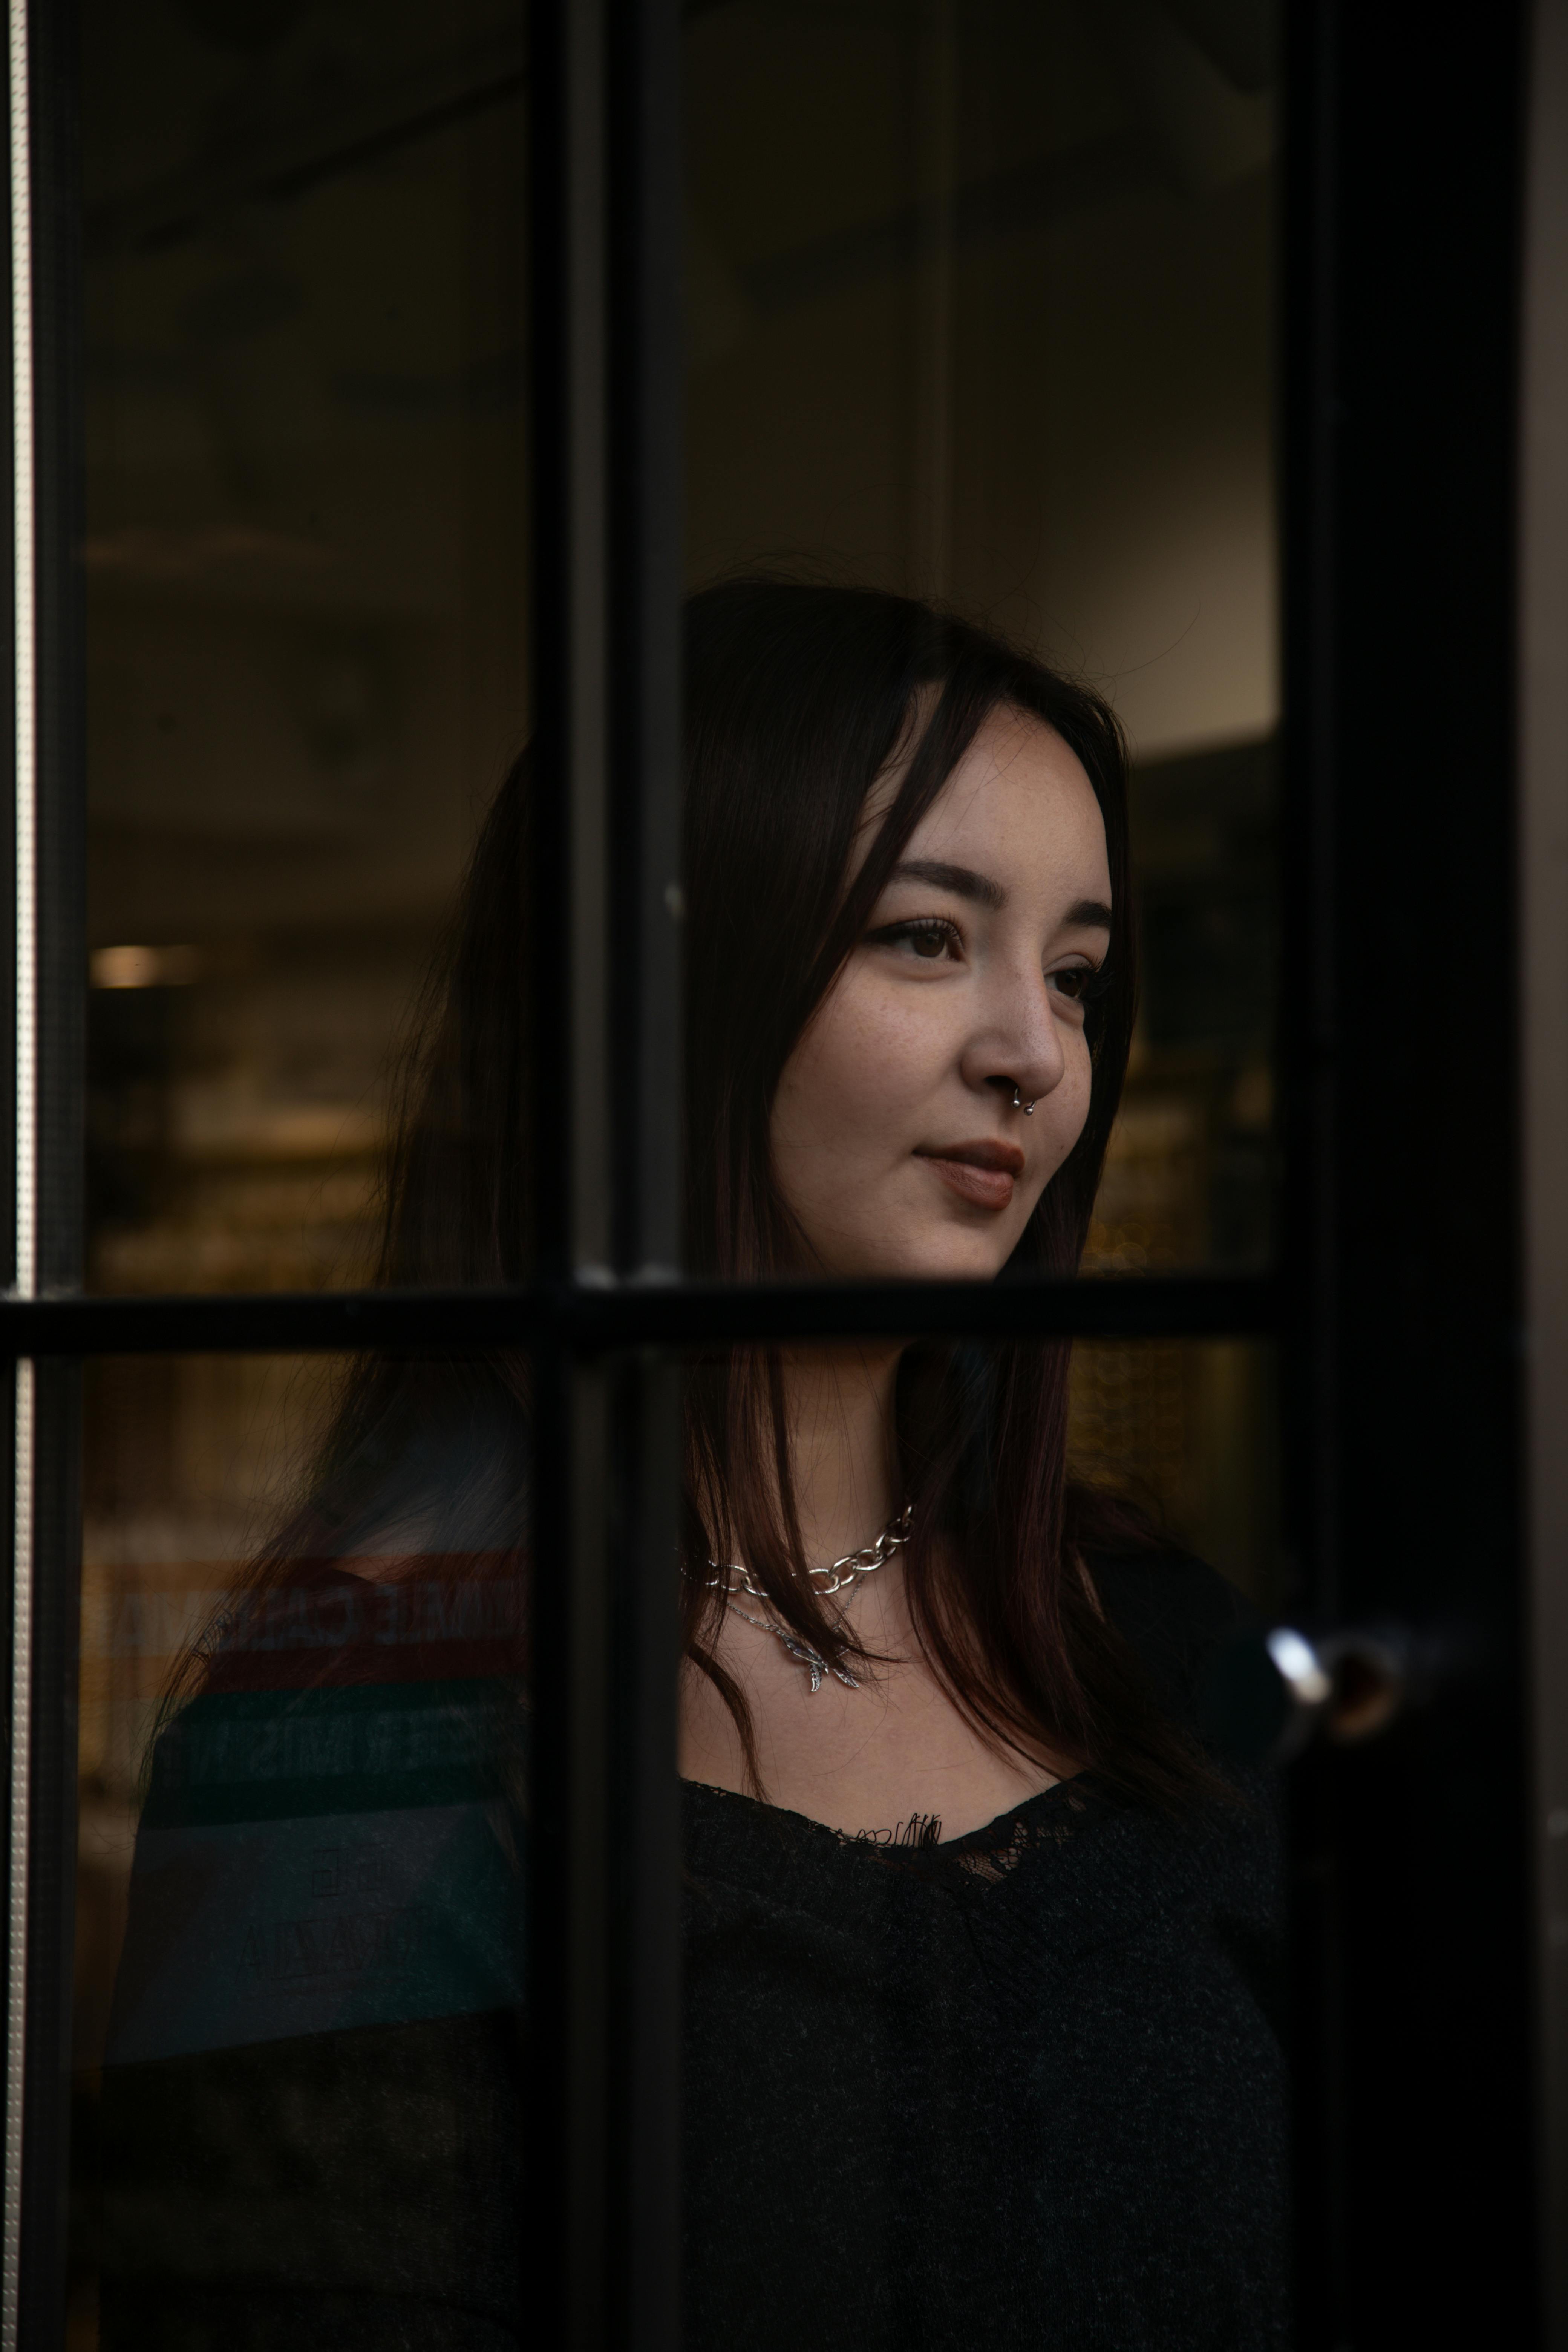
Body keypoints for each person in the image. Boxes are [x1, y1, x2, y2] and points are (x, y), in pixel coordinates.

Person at [97, 580, 1285, 2349]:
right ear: (662, 993)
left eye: (1078, 974)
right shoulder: (355, 1736)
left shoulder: (1161, 1645)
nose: (1034, 1054)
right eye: (923, 936)